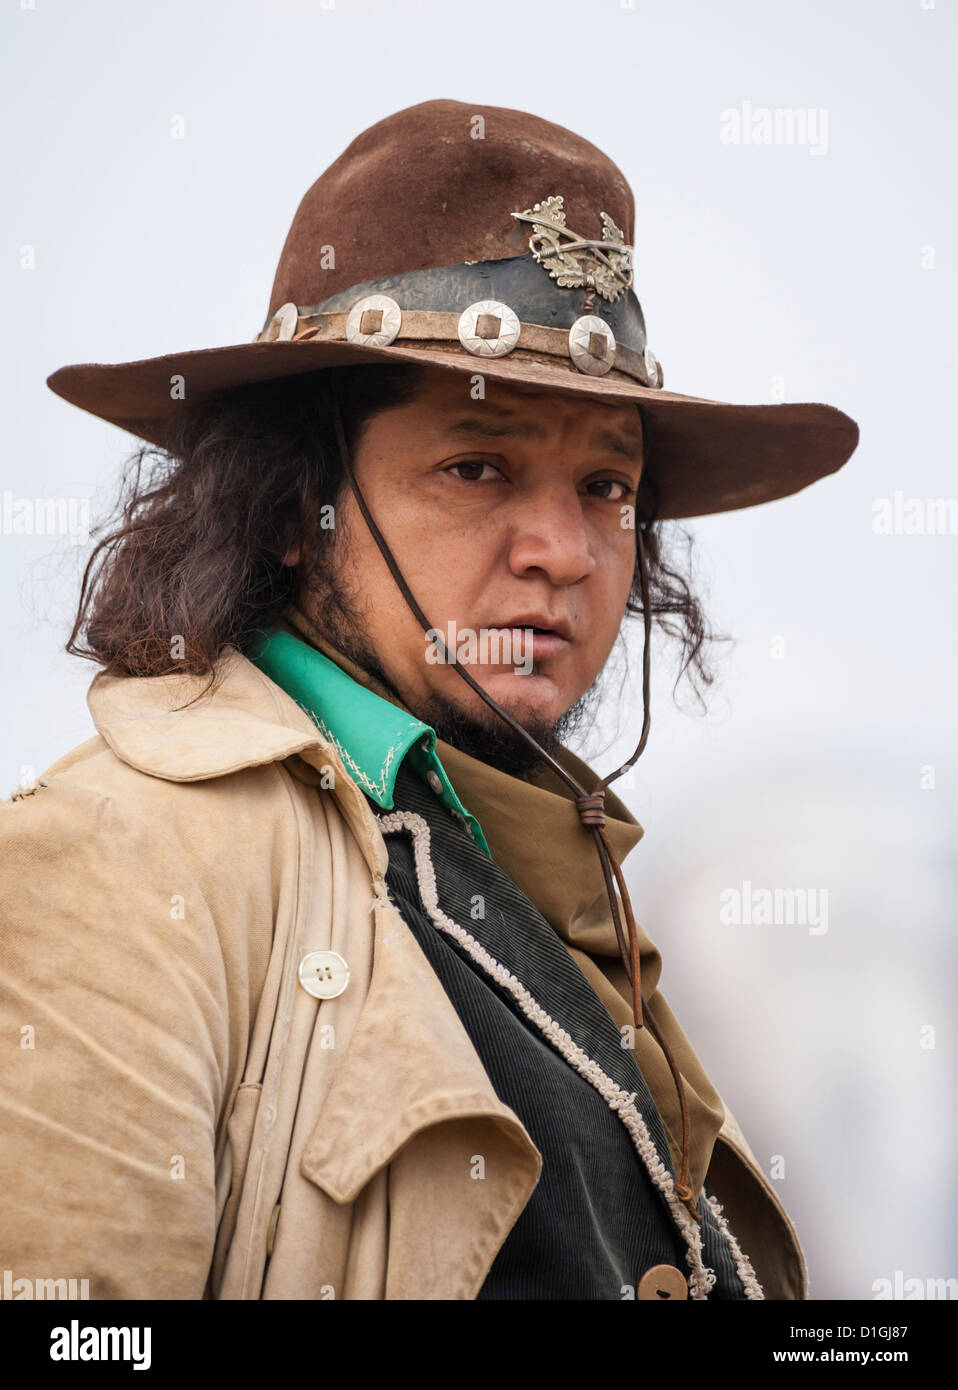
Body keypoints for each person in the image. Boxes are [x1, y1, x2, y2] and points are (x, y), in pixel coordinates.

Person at [0, 98, 858, 1300]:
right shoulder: (122, 856)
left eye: (607, 482)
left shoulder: (556, 880)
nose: (564, 548)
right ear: (295, 507)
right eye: (476, 465)